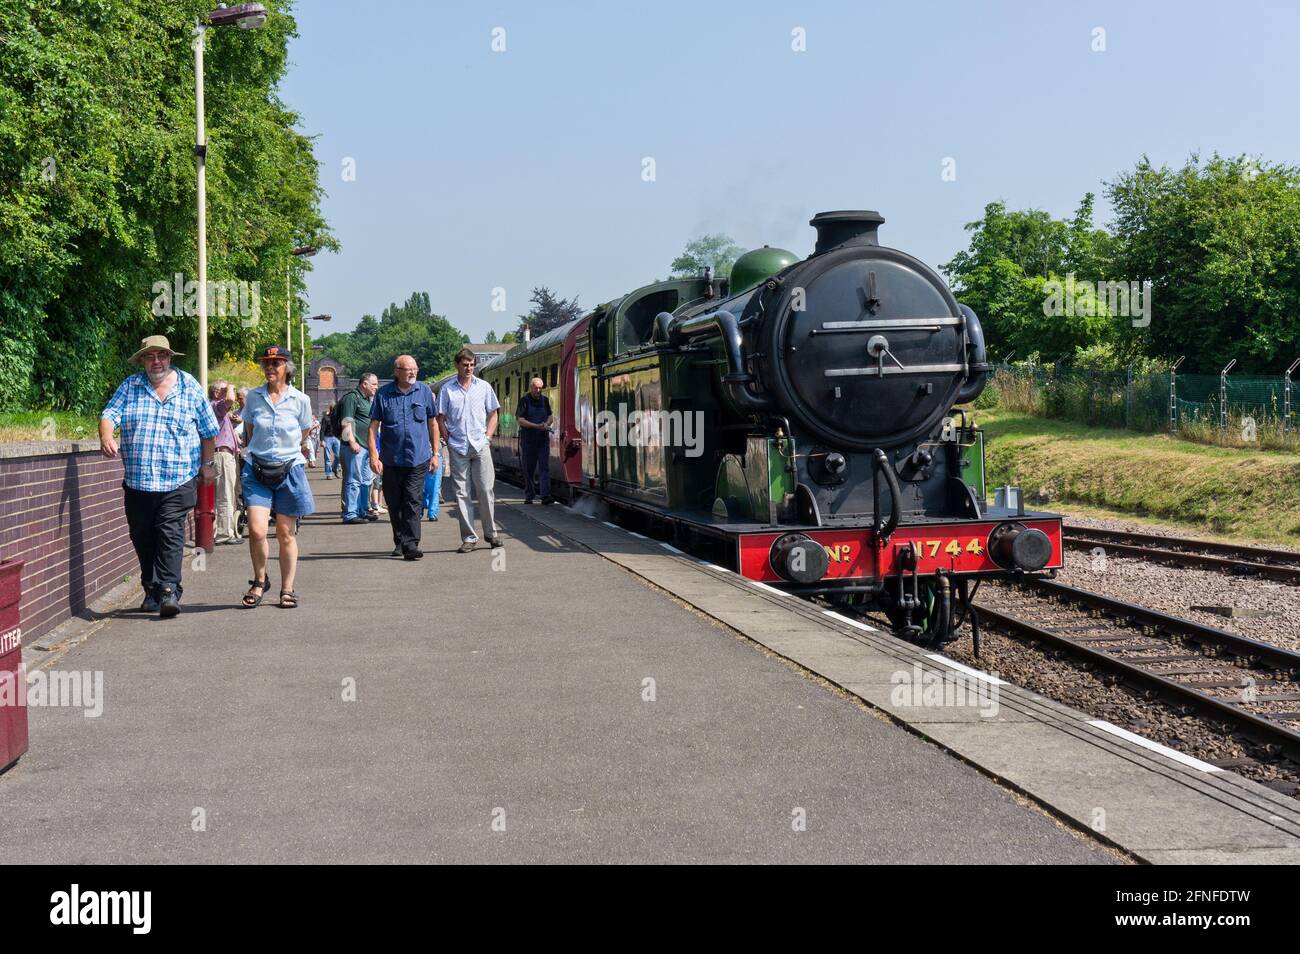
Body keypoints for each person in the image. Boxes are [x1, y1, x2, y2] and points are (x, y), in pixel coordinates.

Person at [99, 335, 218, 618]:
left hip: (178, 478)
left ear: (169, 358)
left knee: (169, 531)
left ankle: (168, 590)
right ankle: (151, 588)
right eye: (150, 357)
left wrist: (207, 464)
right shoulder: (130, 387)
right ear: (142, 360)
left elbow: (208, 429)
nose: (156, 362)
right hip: (138, 480)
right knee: (142, 536)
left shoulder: (189, 386)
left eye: (161, 356)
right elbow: (109, 414)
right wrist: (106, 436)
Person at [240, 345, 315, 609]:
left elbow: (304, 432)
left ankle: (287, 588)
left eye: (276, 363)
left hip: (289, 470)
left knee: (285, 533)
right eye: (267, 363)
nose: (270, 368)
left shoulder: (300, 400)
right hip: (257, 469)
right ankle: (260, 581)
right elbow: (249, 430)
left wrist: (287, 451)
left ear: (287, 369)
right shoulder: (253, 397)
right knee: (257, 530)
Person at [368, 355, 439, 560]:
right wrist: (374, 455)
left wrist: (435, 454)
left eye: (415, 369)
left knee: (412, 500)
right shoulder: (384, 394)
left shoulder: (424, 391)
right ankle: (400, 541)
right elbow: (373, 427)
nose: (413, 373)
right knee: (394, 501)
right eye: (408, 369)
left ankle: (411, 544)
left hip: (418, 457)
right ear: (396, 371)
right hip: (390, 459)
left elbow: (432, 424)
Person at [437, 347, 502, 553]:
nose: (469, 369)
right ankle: (469, 538)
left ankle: (491, 533)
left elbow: (493, 413)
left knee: (485, 490)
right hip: (458, 447)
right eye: (465, 365)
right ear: (457, 365)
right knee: (462, 493)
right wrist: (447, 438)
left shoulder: (483, 387)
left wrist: (488, 437)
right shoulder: (447, 389)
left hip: (480, 445)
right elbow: (441, 417)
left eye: (472, 365)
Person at [339, 372, 379, 524]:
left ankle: (362, 511)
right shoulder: (352, 397)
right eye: (374, 384)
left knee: (365, 481)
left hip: (366, 446)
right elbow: (346, 421)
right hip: (355, 446)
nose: (376, 387)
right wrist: (352, 441)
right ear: (364, 384)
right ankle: (350, 513)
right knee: (354, 480)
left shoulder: (367, 399)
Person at [210, 379, 242, 544]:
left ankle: (222, 531)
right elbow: (230, 399)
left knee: (226, 493)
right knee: (225, 495)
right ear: (216, 393)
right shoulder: (216, 405)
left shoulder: (218, 409)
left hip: (223, 455)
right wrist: (231, 386)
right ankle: (224, 534)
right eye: (223, 390)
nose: (228, 393)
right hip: (221, 456)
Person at [516, 376, 555, 505]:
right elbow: (520, 420)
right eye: (536, 388)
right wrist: (535, 426)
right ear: (531, 387)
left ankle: (545, 495)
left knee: (544, 467)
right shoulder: (524, 400)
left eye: (540, 388)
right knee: (529, 468)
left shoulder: (545, 400)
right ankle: (529, 495)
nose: (538, 390)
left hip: (543, 439)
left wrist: (546, 423)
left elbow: (550, 416)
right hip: (528, 439)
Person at [321, 403, 341, 479]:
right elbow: (322, 430)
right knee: (327, 457)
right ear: (331, 409)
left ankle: (334, 468)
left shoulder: (338, 418)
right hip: (327, 438)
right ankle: (328, 474)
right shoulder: (325, 418)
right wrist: (322, 440)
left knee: (338, 456)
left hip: (336, 438)